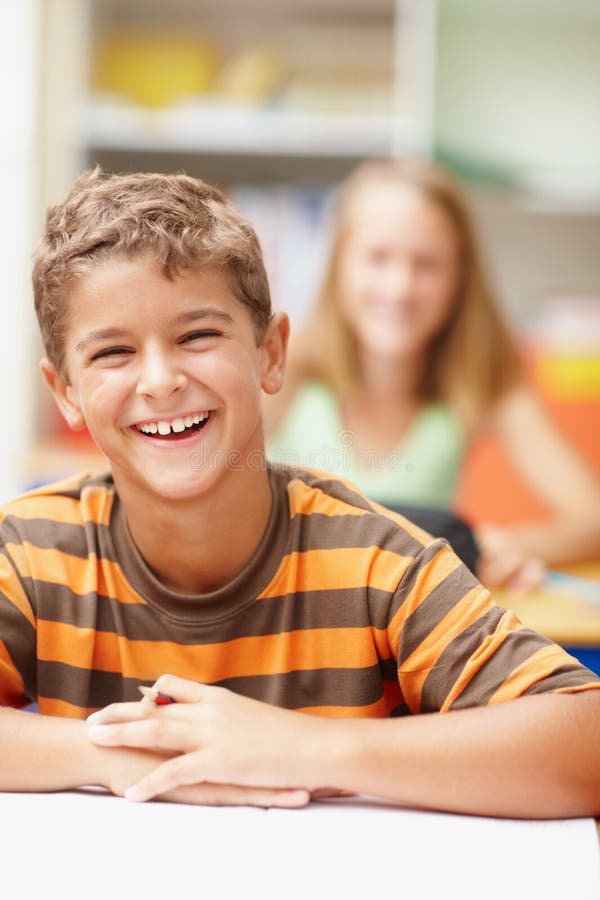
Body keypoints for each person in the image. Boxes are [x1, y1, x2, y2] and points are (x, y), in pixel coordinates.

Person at [0, 167, 599, 819]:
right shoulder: (30, 553)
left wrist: (299, 746)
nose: (160, 380)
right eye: (112, 352)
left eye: (197, 336)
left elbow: (585, 741)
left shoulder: (378, 562)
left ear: (271, 353)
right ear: (64, 391)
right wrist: (113, 753)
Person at [266, 158, 600, 590]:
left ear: (460, 278)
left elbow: (591, 517)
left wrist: (505, 546)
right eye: (377, 258)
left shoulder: (480, 378)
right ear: (338, 266)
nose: (399, 287)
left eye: (426, 265)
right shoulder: (288, 364)